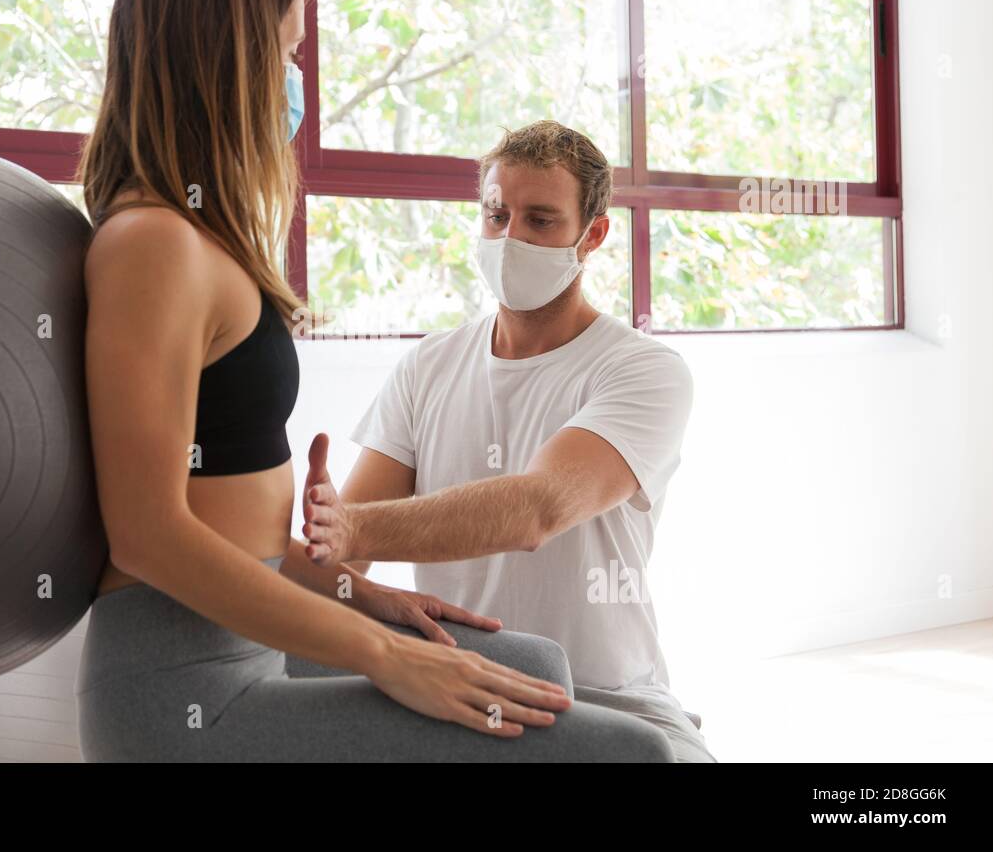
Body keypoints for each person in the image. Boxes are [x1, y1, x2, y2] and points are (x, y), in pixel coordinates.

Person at [73, 0, 673, 762]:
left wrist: (360, 592)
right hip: (182, 686)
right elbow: (146, 533)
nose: (293, 80)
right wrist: (379, 652)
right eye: (284, 54)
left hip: (239, 638)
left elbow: (534, 506)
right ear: (226, 60)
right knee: (627, 754)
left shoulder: (193, 239)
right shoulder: (155, 245)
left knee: (537, 665)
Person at [278, 121, 716, 763]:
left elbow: (536, 510)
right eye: (497, 215)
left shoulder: (642, 370)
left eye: (540, 221)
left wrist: (349, 529)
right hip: (461, 686)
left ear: (591, 235)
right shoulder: (428, 366)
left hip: (609, 696)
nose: (511, 238)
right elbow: (342, 568)